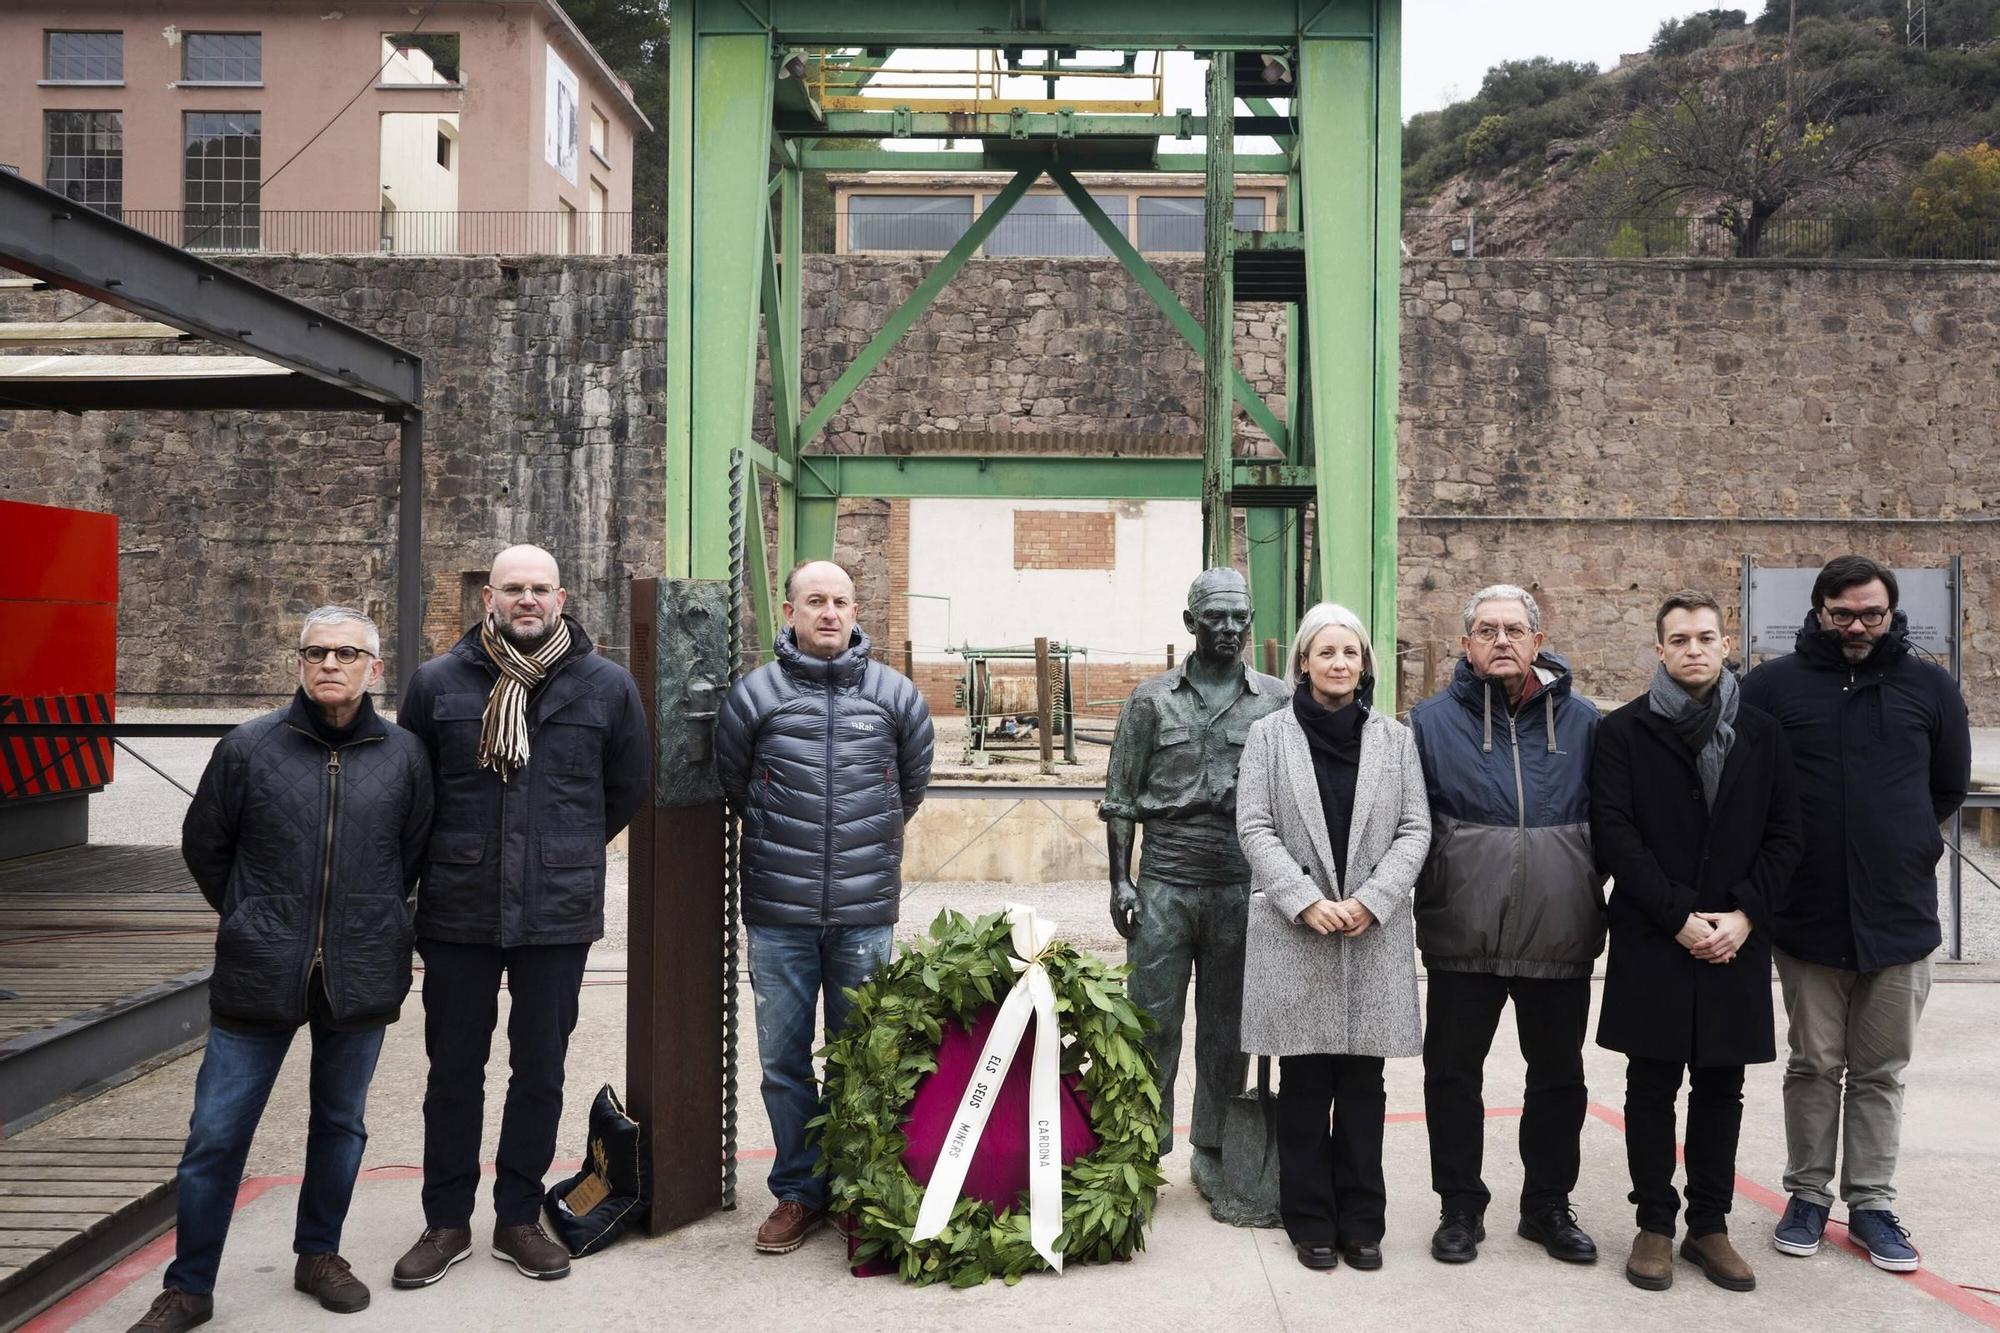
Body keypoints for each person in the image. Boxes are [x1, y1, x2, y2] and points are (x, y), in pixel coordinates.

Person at [134, 608, 432, 1332]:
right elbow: (206, 846)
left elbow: (412, 855)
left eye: (346, 653)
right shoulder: (248, 748)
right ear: (299, 663)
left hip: (359, 970)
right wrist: (251, 914)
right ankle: (189, 1286)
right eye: (316, 652)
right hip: (258, 969)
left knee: (340, 1123)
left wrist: (372, 921)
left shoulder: (405, 756)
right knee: (216, 1131)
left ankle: (318, 1254)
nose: (330, 663)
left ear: (375, 668)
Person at [391, 545, 649, 1288]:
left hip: (555, 912)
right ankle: (445, 1220)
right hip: (458, 910)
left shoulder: (606, 687)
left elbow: (625, 784)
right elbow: (411, 788)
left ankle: (516, 1215)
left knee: (539, 1069)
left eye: (540, 588)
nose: (526, 599)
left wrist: (561, 849)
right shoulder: (438, 685)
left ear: (561, 598)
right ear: (488, 600)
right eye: (513, 588)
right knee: (452, 1072)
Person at [1742, 555, 1970, 1272]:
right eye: (1843, 614)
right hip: (1807, 917)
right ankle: (1808, 1196)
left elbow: (1948, 785)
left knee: (1881, 1071)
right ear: (1818, 612)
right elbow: (1749, 789)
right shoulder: (1770, 688)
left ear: (1891, 611)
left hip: (1899, 918)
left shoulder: (1930, 686)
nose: (1858, 627)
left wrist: (1899, 847)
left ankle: (1870, 1203)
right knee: (1814, 1064)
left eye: (1872, 613)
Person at [715, 559, 934, 1255]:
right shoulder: (755, 696)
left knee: (861, 1058)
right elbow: (736, 782)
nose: (829, 613)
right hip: (779, 912)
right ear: (790, 611)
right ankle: (797, 1190)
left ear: (855, 608)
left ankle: (856, 1189)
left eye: (840, 601)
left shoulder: (896, 697)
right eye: (815, 601)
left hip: (865, 913)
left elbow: (910, 787)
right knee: (783, 1060)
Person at [1590, 590, 1803, 1293]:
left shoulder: (1764, 733)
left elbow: (1784, 836)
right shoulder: (1623, 731)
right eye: (1678, 638)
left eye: (1705, 636)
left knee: (1722, 1086)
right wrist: (1679, 916)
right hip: (1656, 933)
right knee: (1650, 1084)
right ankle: (1655, 1221)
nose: (1693, 648)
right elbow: (1616, 834)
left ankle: (1709, 1225)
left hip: (1735, 939)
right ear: (1659, 648)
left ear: (1724, 642)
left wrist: (1743, 917)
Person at [1407, 583, 1605, 1266]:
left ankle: (1547, 1206)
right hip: (1463, 934)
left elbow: (1612, 827)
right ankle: (1459, 1205)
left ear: (1537, 641)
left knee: (1558, 1078)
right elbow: (1410, 828)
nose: (1501, 640)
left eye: (1514, 629)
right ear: (1465, 644)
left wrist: (1581, 883)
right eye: (1486, 630)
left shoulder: (1585, 725)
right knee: (1453, 1075)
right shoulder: (1428, 724)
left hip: (1560, 934)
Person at [1236, 603, 1431, 1272]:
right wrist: (1304, 900)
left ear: (1364, 663)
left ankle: (1362, 1221)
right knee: (1305, 1080)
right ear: (1303, 662)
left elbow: (1415, 829)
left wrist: (1373, 901)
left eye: (1350, 652)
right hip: (1299, 935)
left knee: (1363, 1085)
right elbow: (1254, 826)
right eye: (1326, 652)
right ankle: (1311, 1220)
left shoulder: (1395, 739)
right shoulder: (1268, 736)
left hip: (1369, 933)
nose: (1340, 662)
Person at [1101, 567, 1289, 1219]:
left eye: (1240, 616)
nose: (1231, 628)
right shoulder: (1151, 700)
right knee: (1151, 1021)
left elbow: (1294, 797)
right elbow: (1120, 796)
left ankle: (1211, 1147)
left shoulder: (1276, 700)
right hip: (1165, 884)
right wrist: (1121, 879)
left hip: (1241, 885)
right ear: (1190, 623)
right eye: (1216, 617)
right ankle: (1142, 1148)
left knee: (1227, 1027)